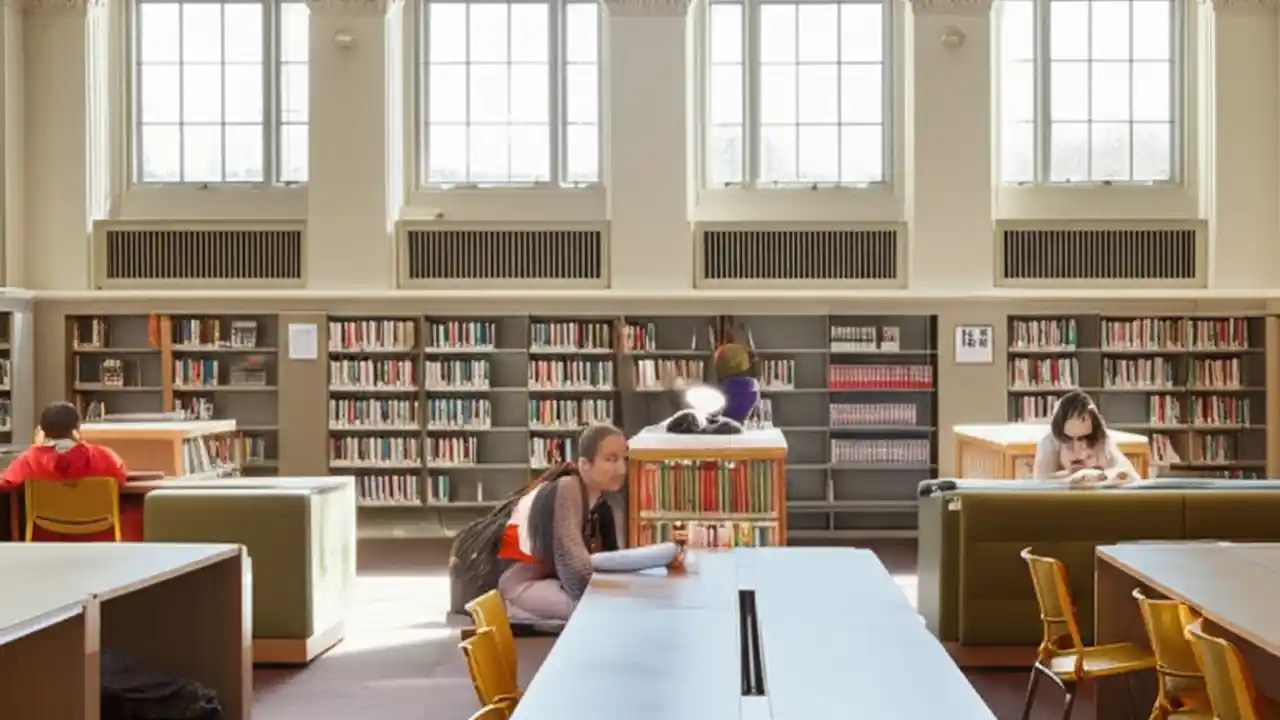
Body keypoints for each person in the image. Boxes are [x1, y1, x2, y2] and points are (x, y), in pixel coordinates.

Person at [495, 423, 630, 623]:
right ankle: (515, 612)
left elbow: (609, 559)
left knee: (608, 603)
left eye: (624, 459)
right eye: (611, 459)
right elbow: (572, 566)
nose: (622, 469)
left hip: (547, 578)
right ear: (585, 464)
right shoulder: (568, 489)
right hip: (520, 581)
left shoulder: (601, 504)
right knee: (590, 610)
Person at [2, 402, 129, 541]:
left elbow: (5, 483)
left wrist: (37, 446)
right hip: (98, 538)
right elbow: (121, 478)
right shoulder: (104, 456)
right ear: (77, 428)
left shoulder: (30, 459)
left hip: (46, 539)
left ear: (42, 430)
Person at [1032, 390, 1140, 483]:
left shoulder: (1103, 440)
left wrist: (1104, 475)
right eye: (1069, 442)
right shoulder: (1049, 443)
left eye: (1084, 439)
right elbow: (1040, 484)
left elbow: (1131, 476)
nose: (1078, 451)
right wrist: (1069, 477)